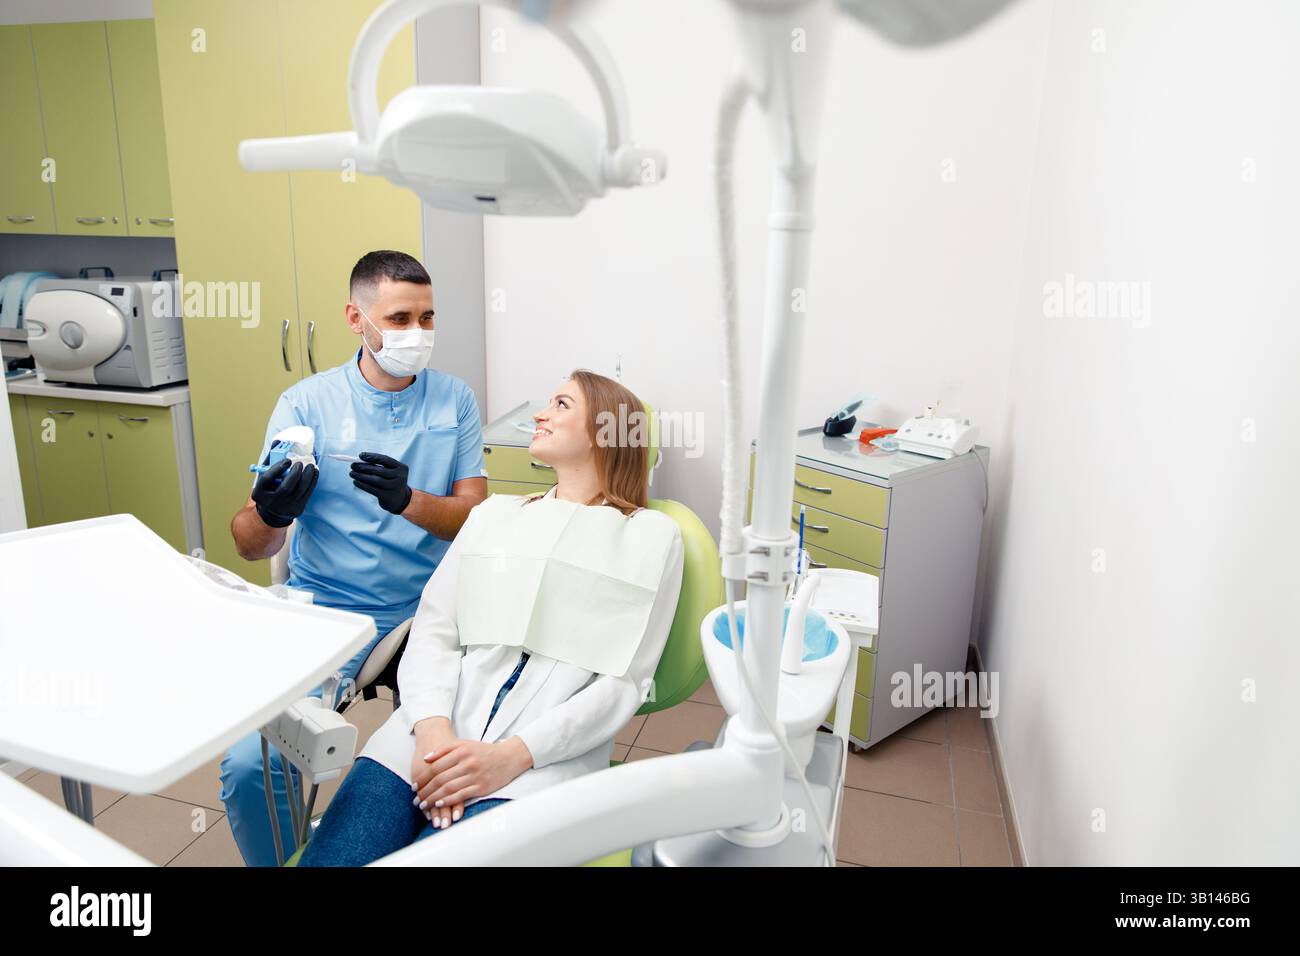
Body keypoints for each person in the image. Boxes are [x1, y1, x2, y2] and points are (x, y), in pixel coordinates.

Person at [298, 370, 683, 866]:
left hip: (538, 764)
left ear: (605, 431)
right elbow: (434, 629)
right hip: (424, 735)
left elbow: (623, 683)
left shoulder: (651, 538)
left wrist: (511, 756)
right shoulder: (494, 515)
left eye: (561, 404)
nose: (540, 414)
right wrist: (434, 734)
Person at [221, 249, 488, 867]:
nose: (416, 334)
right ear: (355, 318)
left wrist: (409, 501)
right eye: (399, 318)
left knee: (453, 760)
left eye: (427, 318)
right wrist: (271, 512)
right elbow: (248, 541)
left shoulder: (454, 400)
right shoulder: (305, 405)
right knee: (246, 766)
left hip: (430, 608)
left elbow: (473, 516)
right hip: (329, 612)